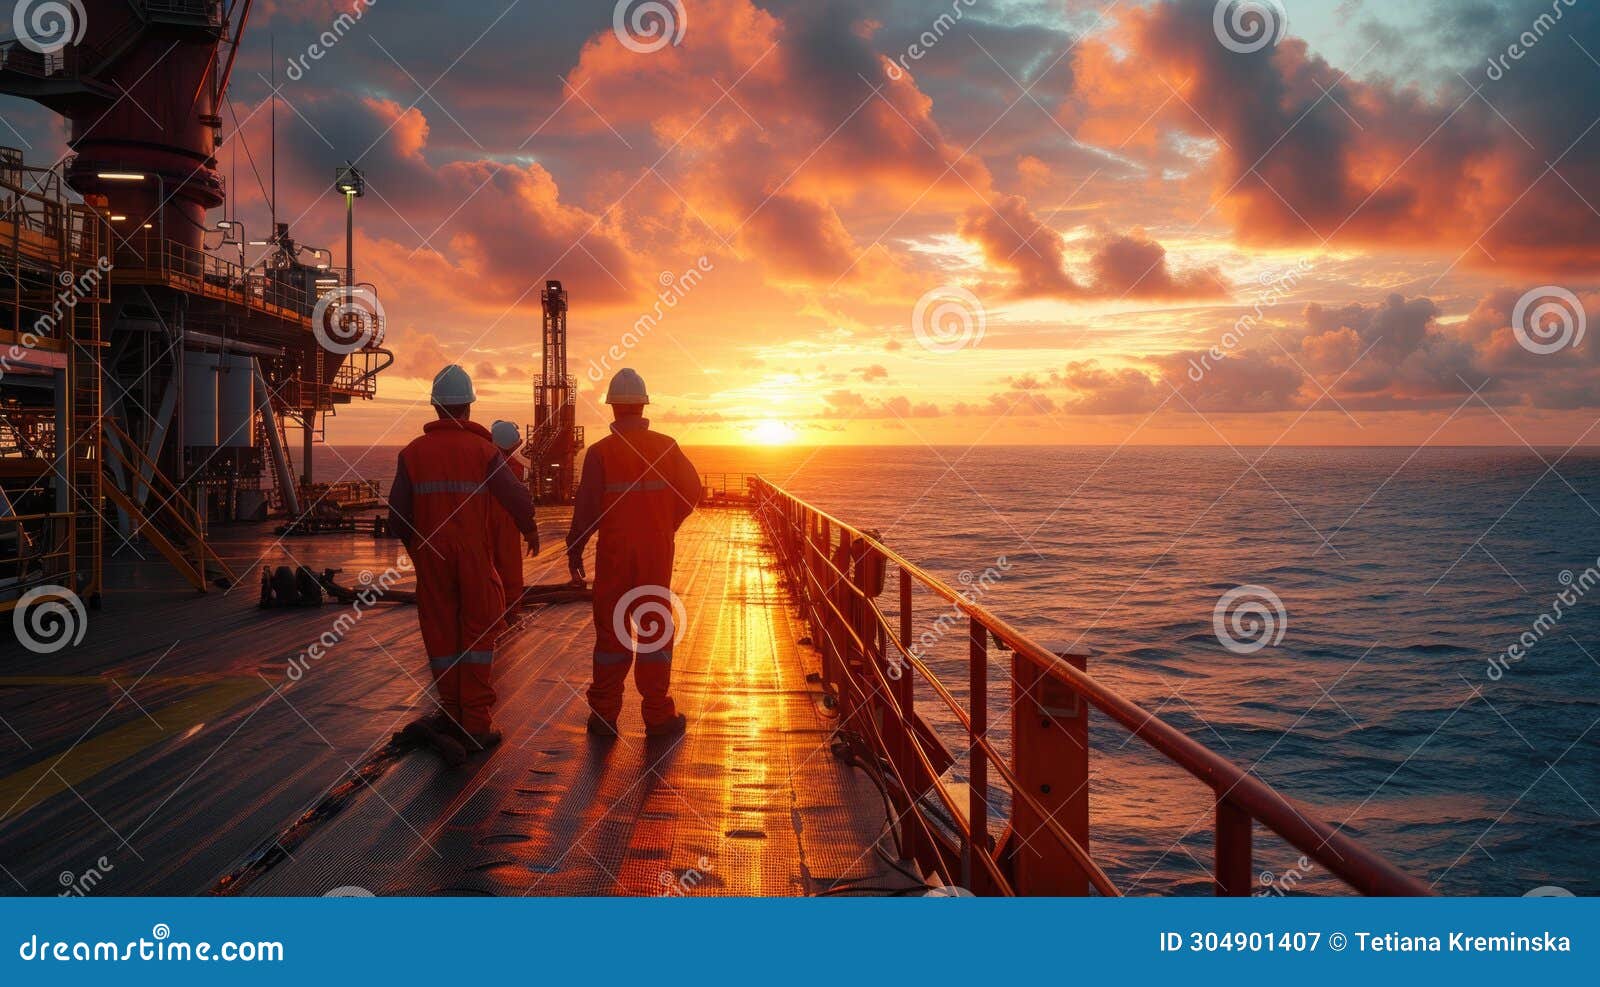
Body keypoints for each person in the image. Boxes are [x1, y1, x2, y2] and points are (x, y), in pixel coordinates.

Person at [389, 365, 539, 765]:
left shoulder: (412, 454)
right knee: (478, 633)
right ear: (468, 408)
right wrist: (529, 529)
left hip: (432, 557)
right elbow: (516, 497)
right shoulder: (484, 452)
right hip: (472, 556)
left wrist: (419, 550)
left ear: (436, 407)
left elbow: (397, 515)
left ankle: (453, 714)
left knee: (441, 635)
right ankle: (475, 723)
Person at [566, 369, 701, 741]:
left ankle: (604, 715)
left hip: (614, 553)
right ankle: (657, 716)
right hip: (655, 552)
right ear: (643, 405)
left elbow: (587, 507)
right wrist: (667, 523)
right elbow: (692, 490)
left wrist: (575, 546)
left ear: (613, 408)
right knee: (654, 626)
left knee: (611, 630)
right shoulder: (667, 446)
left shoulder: (600, 453)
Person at [489, 420, 528, 627]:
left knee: (487, 567)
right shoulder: (514, 467)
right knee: (509, 566)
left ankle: (491, 608)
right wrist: (530, 529)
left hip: (482, 522)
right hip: (507, 522)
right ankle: (509, 610)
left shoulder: (482, 461)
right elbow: (520, 498)